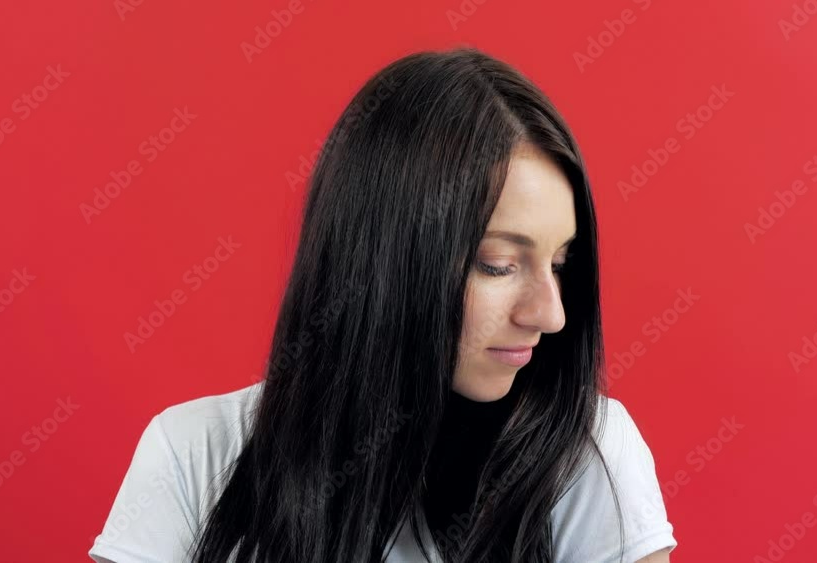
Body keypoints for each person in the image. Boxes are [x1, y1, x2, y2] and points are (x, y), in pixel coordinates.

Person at [89, 46, 678, 563]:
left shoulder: (588, 456)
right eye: (498, 264)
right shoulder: (193, 453)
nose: (550, 316)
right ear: (383, 260)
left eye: (559, 265)